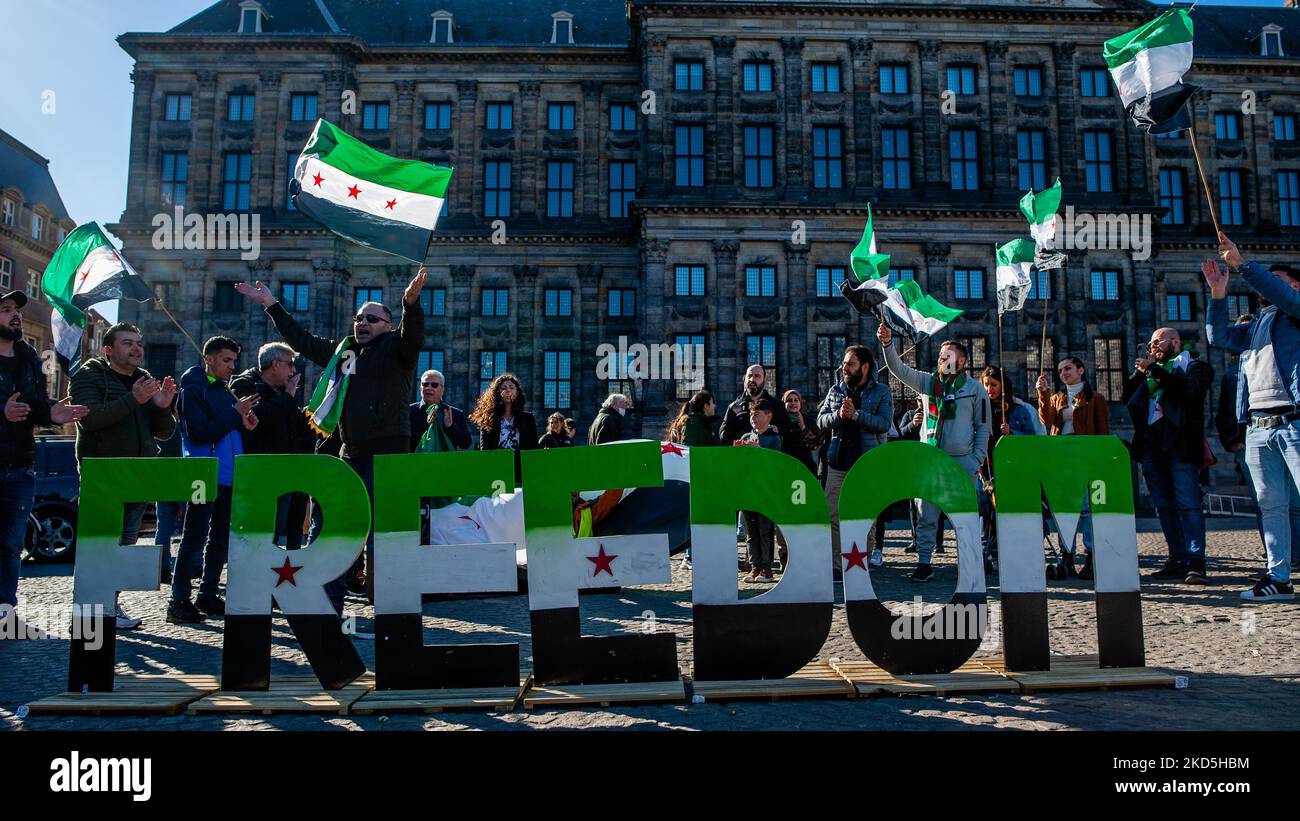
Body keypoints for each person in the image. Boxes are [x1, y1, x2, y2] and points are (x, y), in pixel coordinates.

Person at [235, 268, 426, 613]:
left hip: (388, 456)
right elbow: (303, 341)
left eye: (371, 318)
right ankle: (327, 607)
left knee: (383, 535)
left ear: (387, 326)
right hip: (350, 454)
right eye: (358, 317)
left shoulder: (397, 349)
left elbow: (413, 335)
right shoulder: (344, 354)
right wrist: (271, 304)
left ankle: (389, 608)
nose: (362, 322)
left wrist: (410, 304)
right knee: (334, 529)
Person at [1205, 233, 1300, 600]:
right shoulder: (1257, 324)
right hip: (1259, 425)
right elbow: (1218, 337)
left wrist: (1244, 265)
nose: (1269, 284)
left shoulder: (1295, 312)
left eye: (1278, 279)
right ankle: (1279, 577)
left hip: (1294, 420)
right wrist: (1218, 294)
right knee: (1270, 504)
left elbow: (1282, 296)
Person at [70, 322, 178, 630]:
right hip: (103, 478)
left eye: (139, 343)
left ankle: (111, 606)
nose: (136, 349)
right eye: (128, 343)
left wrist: (162, 408)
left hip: (138, 477)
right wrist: (134, 399)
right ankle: (87, 614)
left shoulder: (144, 380)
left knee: (124, 546)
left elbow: (163, 432)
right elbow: (90, 419)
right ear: (108, 350)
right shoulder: (89, 376)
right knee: (99, 547)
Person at [0, 291, 87, 625]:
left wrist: (51, 413)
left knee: (11, 545)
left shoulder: (27, 355)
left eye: (17, 310)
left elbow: (34, 405)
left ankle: (6, 613)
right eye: (6, 310)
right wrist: (2, 411)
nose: (16, 315)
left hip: (21, 465)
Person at [878, 325, 990, 583]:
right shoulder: (928, 383)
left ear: (962, 361)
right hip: (930, 461)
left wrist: (976, 460)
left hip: (961, 462)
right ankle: (924, 562)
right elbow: (898, 369)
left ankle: (969, 563)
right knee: (925, 515)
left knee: (964, 516)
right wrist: (887, 345)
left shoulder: (975, 390)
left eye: (947, 355)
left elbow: (983, 427)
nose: (941, 358)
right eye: (940, 355)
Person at [168, 336, 259, 624]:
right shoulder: (192, 389)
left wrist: (244, 423)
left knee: (220, 538)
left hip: (229, 474)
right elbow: (198, 433)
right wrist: (234, 415)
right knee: (194, 536)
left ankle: (207, 593)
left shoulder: (225, 390)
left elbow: (226, 429)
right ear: (208, 359)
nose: (232, 366)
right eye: (226, 360)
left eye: (234, 361)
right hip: (203, 473)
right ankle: (178, 600)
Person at [1120, 327, 1213, 586]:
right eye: (1150, 343)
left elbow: (1188, 390)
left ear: (1175, 341)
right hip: (1152, 447)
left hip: (1180, 446)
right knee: (1163, 507)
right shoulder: (1150, 373)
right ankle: (1177, 558)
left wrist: (1154, 369)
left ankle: (1196, 562)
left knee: (1189, 506)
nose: (1152, 347)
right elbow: (1127, 398)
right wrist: (1143, 372)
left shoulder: (1196, 367)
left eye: (1157, 342)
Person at [1215, 314, 1300, 565]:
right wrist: (1232, 440)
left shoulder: (1284, 353)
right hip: (1251, 437)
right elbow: (1225, 409)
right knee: (1267, 503)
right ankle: (1277, 559)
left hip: (1288, 425)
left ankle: (1295, 553)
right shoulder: (1232, 372)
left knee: (1294, 502)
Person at [817, 345, 893, 575]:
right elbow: (821, 421)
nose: (845, 368)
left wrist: (857, 415)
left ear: (865, 367)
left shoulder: (882, 392)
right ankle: (836, 567)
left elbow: (884, 423)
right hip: (837, 462)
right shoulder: (835, 390)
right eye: (844, 363)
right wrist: (839, 415)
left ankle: (860, 567)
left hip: (867, 463)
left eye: (850, 364)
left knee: (865, 516)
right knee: (832, 515)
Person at [230, 343, 313, 548]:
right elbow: (259, 419)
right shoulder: (246, 385)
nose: (293, 371)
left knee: (293, 529)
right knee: (267, 533)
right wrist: (287, 397)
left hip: (291, 472)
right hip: (263, 474)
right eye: (290, 364)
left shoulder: (284, 392)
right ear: (275, 364)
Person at [1035, 356, 1110, 578]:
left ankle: (1091, 555)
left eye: (1067, 368)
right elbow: (1046, 420)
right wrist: (1043, 393)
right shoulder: (1057, 398)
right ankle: (1066, 554)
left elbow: (1102, 431)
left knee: (1086, 508)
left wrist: (1100, 460)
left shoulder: (1096, 399)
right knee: (1063, 507)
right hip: (1061, 456)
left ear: (1080, 370)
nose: (1063, 373)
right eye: (1060, 370)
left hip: (1085, 454)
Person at [977, 367, 1040, 575]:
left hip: (1012, 469)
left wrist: (1012, 433)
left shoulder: (1018, 409)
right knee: (986, 510)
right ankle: (987, 552)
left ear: (1003, 386)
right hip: (986, 468)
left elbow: (1032, 439)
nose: (989, 389)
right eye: (986, 385)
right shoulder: (978, 408)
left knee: (1008, 511)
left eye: (994, 385)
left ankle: (1007, 551)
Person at [738, 401, 782, 583]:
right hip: (748, 489)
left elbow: (776, 464)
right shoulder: (746, 436)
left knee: (765, 530)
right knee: (750, 531)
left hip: (766, 490)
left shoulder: (774, 438)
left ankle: (766, 568)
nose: (753, 418)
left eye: (757, 414)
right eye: (751, 415)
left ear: (768, 416)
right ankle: (754, 566)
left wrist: (759, 450)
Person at [470, 373, 538, 486]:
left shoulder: (528, 418)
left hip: (522, 472)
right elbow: (485, 450)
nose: (508, 390)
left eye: (511, 387)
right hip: (497, 471)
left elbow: (534, 448)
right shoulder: (489, 419)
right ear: (497, 393)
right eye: (504, 388)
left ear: (517, 392)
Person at [409, 369, 471, 452]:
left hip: (445, 460)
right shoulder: (409, 411)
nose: (428, 388)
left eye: (434, 385)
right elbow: (404, 442)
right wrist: (426, 424)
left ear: (442, 389)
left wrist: (450, 427)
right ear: (420, 388)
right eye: (425, 384)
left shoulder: (455, 413)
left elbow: (466, 443)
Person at [719, 364, 780, 444]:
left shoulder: (776, 405)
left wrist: (772, 431)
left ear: (764, 380)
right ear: (744, 379)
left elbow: (787, 432)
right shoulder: (734, 407)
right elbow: (724, 437)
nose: (752, 379)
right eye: (749, 376)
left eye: (757, 376)